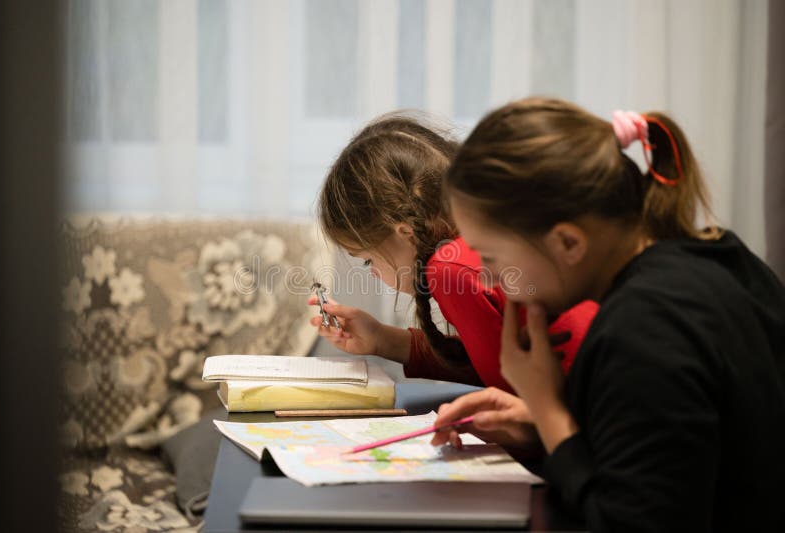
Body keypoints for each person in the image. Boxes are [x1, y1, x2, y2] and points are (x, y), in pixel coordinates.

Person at [431, 97, 785, 532]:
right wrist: (542, 424)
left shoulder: (644, 327)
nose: (487, 279)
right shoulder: (721, 257)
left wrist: (548, 408)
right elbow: (690, 452)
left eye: (491, 257)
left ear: (568, 243)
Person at [310, 113, 598, 393]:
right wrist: (382, 338)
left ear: (405, 232)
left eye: (368, 261)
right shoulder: (494, 227)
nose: (373, 273)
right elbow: (495, 366)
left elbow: (506, 390)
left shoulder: (452, 267)